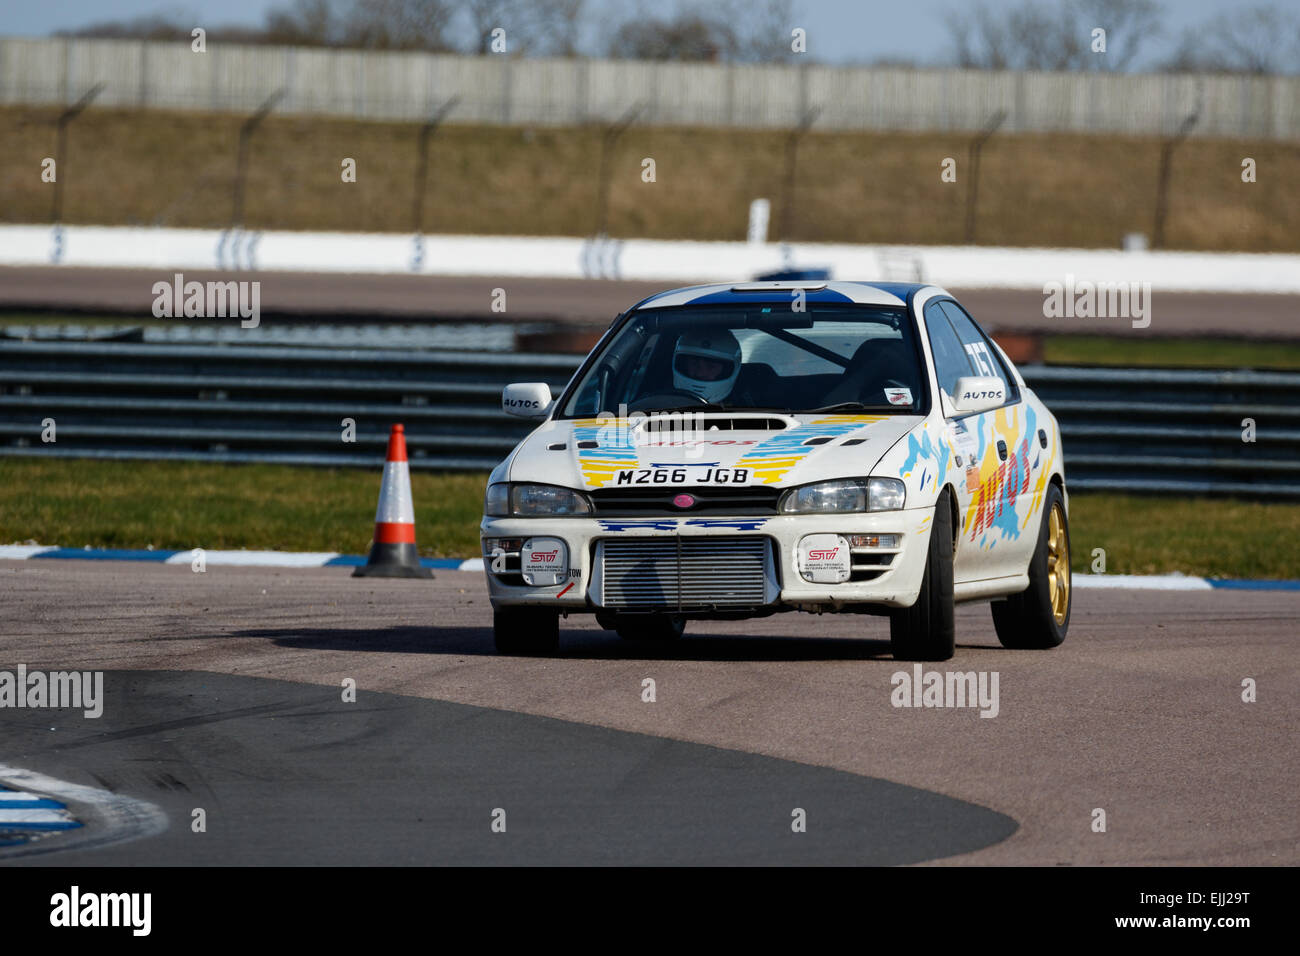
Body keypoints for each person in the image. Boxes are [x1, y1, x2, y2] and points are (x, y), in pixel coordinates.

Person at [671, 329, 743, 404]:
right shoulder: (662, 403)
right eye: (694, 363)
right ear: (683, 365)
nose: (700, 373)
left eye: (711, 366)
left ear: (727, 370)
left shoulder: (747, 407)